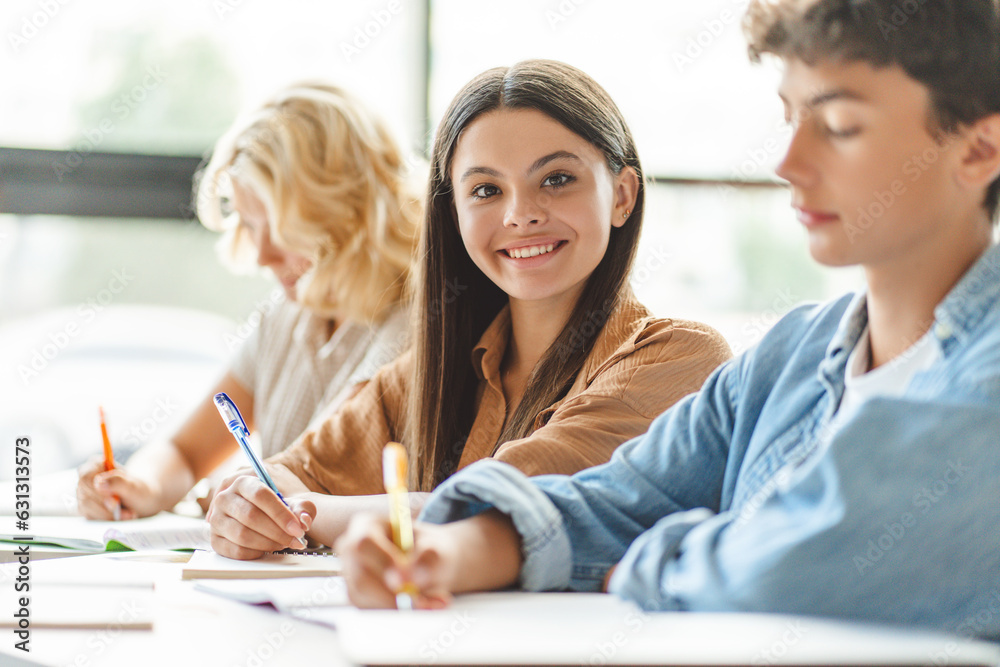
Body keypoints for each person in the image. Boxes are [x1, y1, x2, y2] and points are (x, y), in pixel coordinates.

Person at [335, 0, 1000, 639]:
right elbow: (615, 499)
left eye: (840, 126)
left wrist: (643, 563)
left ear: (977, 150)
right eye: (790, 119)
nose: (787, 162)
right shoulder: (791, 354)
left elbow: (792, 567)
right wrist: (442, 551)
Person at [206, 60, 733, 559]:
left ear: (622, 195)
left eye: (555, 179)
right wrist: (246, 506)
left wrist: (297, 513)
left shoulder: (678, 358)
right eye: (486, 189)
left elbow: (484, 509)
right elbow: (284, 474)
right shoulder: (429, 373)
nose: (521, 214)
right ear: (453, 214)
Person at [77, 82, 421, 520]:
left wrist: (232, 490)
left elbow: (307, 475)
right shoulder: (286, 315)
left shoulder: (413, 318)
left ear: (345, 213)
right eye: (251, 226)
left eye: (278, 227)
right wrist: (140, 486)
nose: (261, 255)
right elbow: (184, 452)